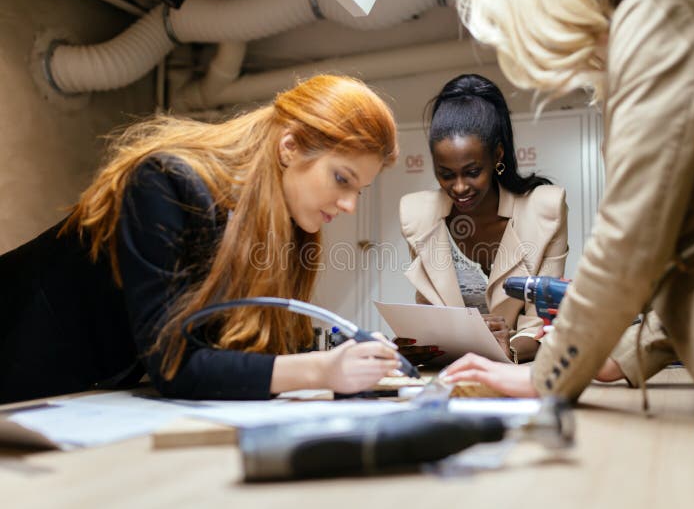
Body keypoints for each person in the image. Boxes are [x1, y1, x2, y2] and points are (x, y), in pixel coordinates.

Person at [443, 0, 694, 503]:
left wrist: (548, 376)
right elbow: (693, 251)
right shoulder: (673, 16)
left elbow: (631, 240)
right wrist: (625, 354)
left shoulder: (657, 16)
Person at [0, 75, 403, 404]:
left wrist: (350, 361)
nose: (349, 205)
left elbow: (232, 354)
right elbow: (176, 365)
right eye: (341, 179)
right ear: (290, 146)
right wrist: (321, 369)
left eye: (359, 190)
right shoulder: (165, 183)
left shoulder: (282, 230)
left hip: (72, 387)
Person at [397, 74, 568, 364]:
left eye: (472, 171)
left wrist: (509, 346)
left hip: (518, 373)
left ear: (497, 155)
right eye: (446, 174)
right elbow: (429, 316)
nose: (459, 187)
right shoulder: (417, 215)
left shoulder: (545, 209)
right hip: (452, 375)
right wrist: (417, 346)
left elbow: (543, 325)